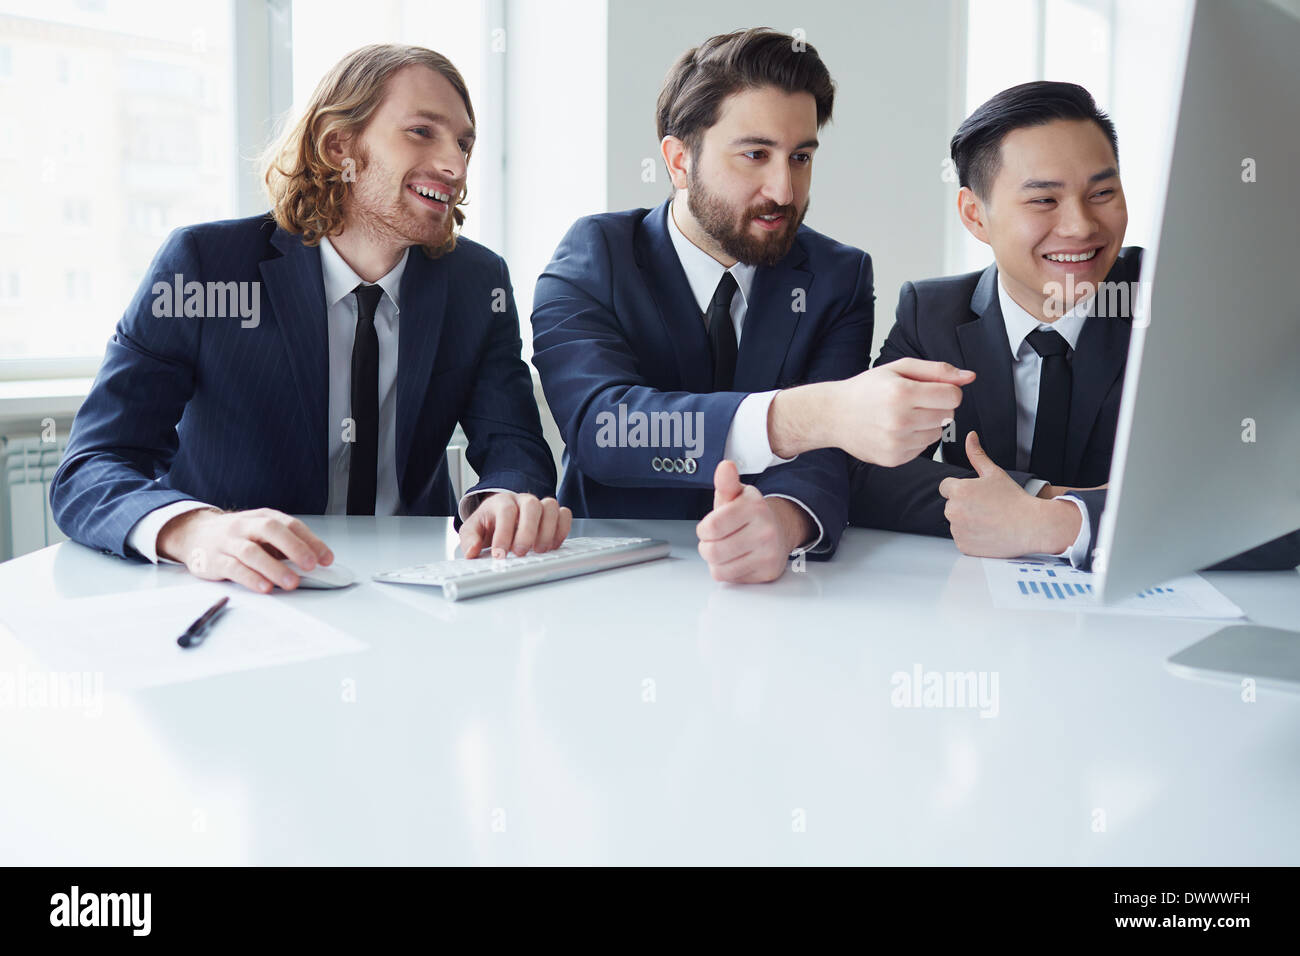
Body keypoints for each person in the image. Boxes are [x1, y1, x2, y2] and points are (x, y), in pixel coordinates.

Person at [50, 44, 568, 594]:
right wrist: (195, 530)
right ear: (338, 144)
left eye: (464, 143)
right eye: (422, 131)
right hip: (238, 593)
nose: (456, 165)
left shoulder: (476, 282)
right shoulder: (205, 267)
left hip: (416, 590)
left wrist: (506, 500)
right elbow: (92, 467)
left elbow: (514, 446)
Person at [532, 28, 971, 584]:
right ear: (678, 160)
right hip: (609, 579)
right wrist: (812, 415)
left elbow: (828, 457)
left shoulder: (838, 276)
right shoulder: (596, 256)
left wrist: (783, 524)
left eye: (801, 157)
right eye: (755, 154)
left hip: (776, 592)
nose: (784, 191)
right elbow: (606, 428)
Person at [850, 80, 1300, 571]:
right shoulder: (931, 313)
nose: (1082, 226)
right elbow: (867, 470)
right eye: (1044, 201)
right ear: (975, 215)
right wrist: (1039, 495)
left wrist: (1057, 521)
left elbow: (1277, 506)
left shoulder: (1183, 303)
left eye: (1102, 192)